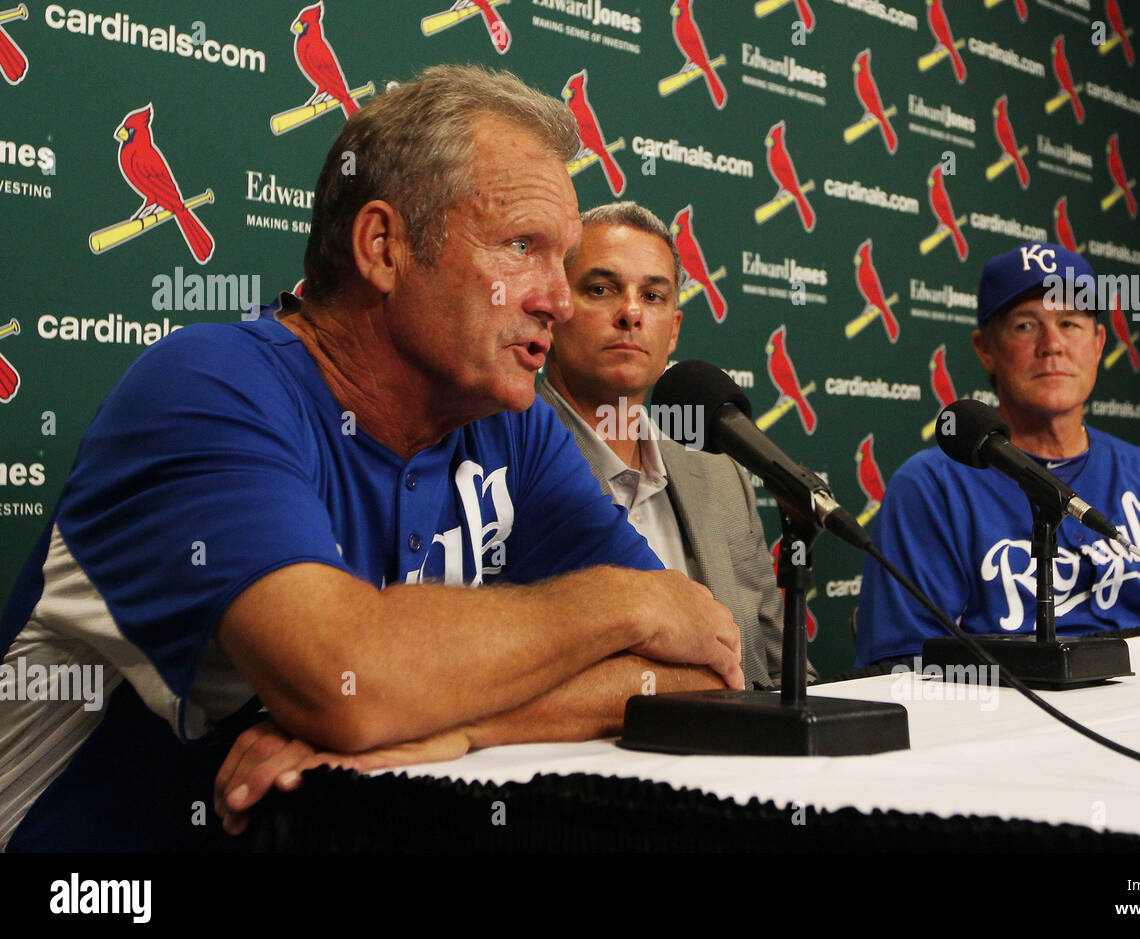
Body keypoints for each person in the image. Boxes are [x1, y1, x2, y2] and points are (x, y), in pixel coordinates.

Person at [0, 65, 743, 852]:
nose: (558, 300)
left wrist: (468, 723)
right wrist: (629, 603)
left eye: (560, 261)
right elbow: (347, 683)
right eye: (522, 246)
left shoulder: (506, 424)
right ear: (383, 247)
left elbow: (701, 667)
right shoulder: (208, 388)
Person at [854, 241, 1140, 668]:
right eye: (1025, 325)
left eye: (1070, 323)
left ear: (1097, 344)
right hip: (1018, 720)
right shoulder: (932, 488)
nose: (1051, 344)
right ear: (985, 348)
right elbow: (904, 668)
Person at [538, 201, 787, 688]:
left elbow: (778, 672)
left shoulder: (720, 471)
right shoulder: (507, 454)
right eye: (602, 289)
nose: (631, 312)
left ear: (672, 331)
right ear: (555, 309)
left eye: (653, 296)